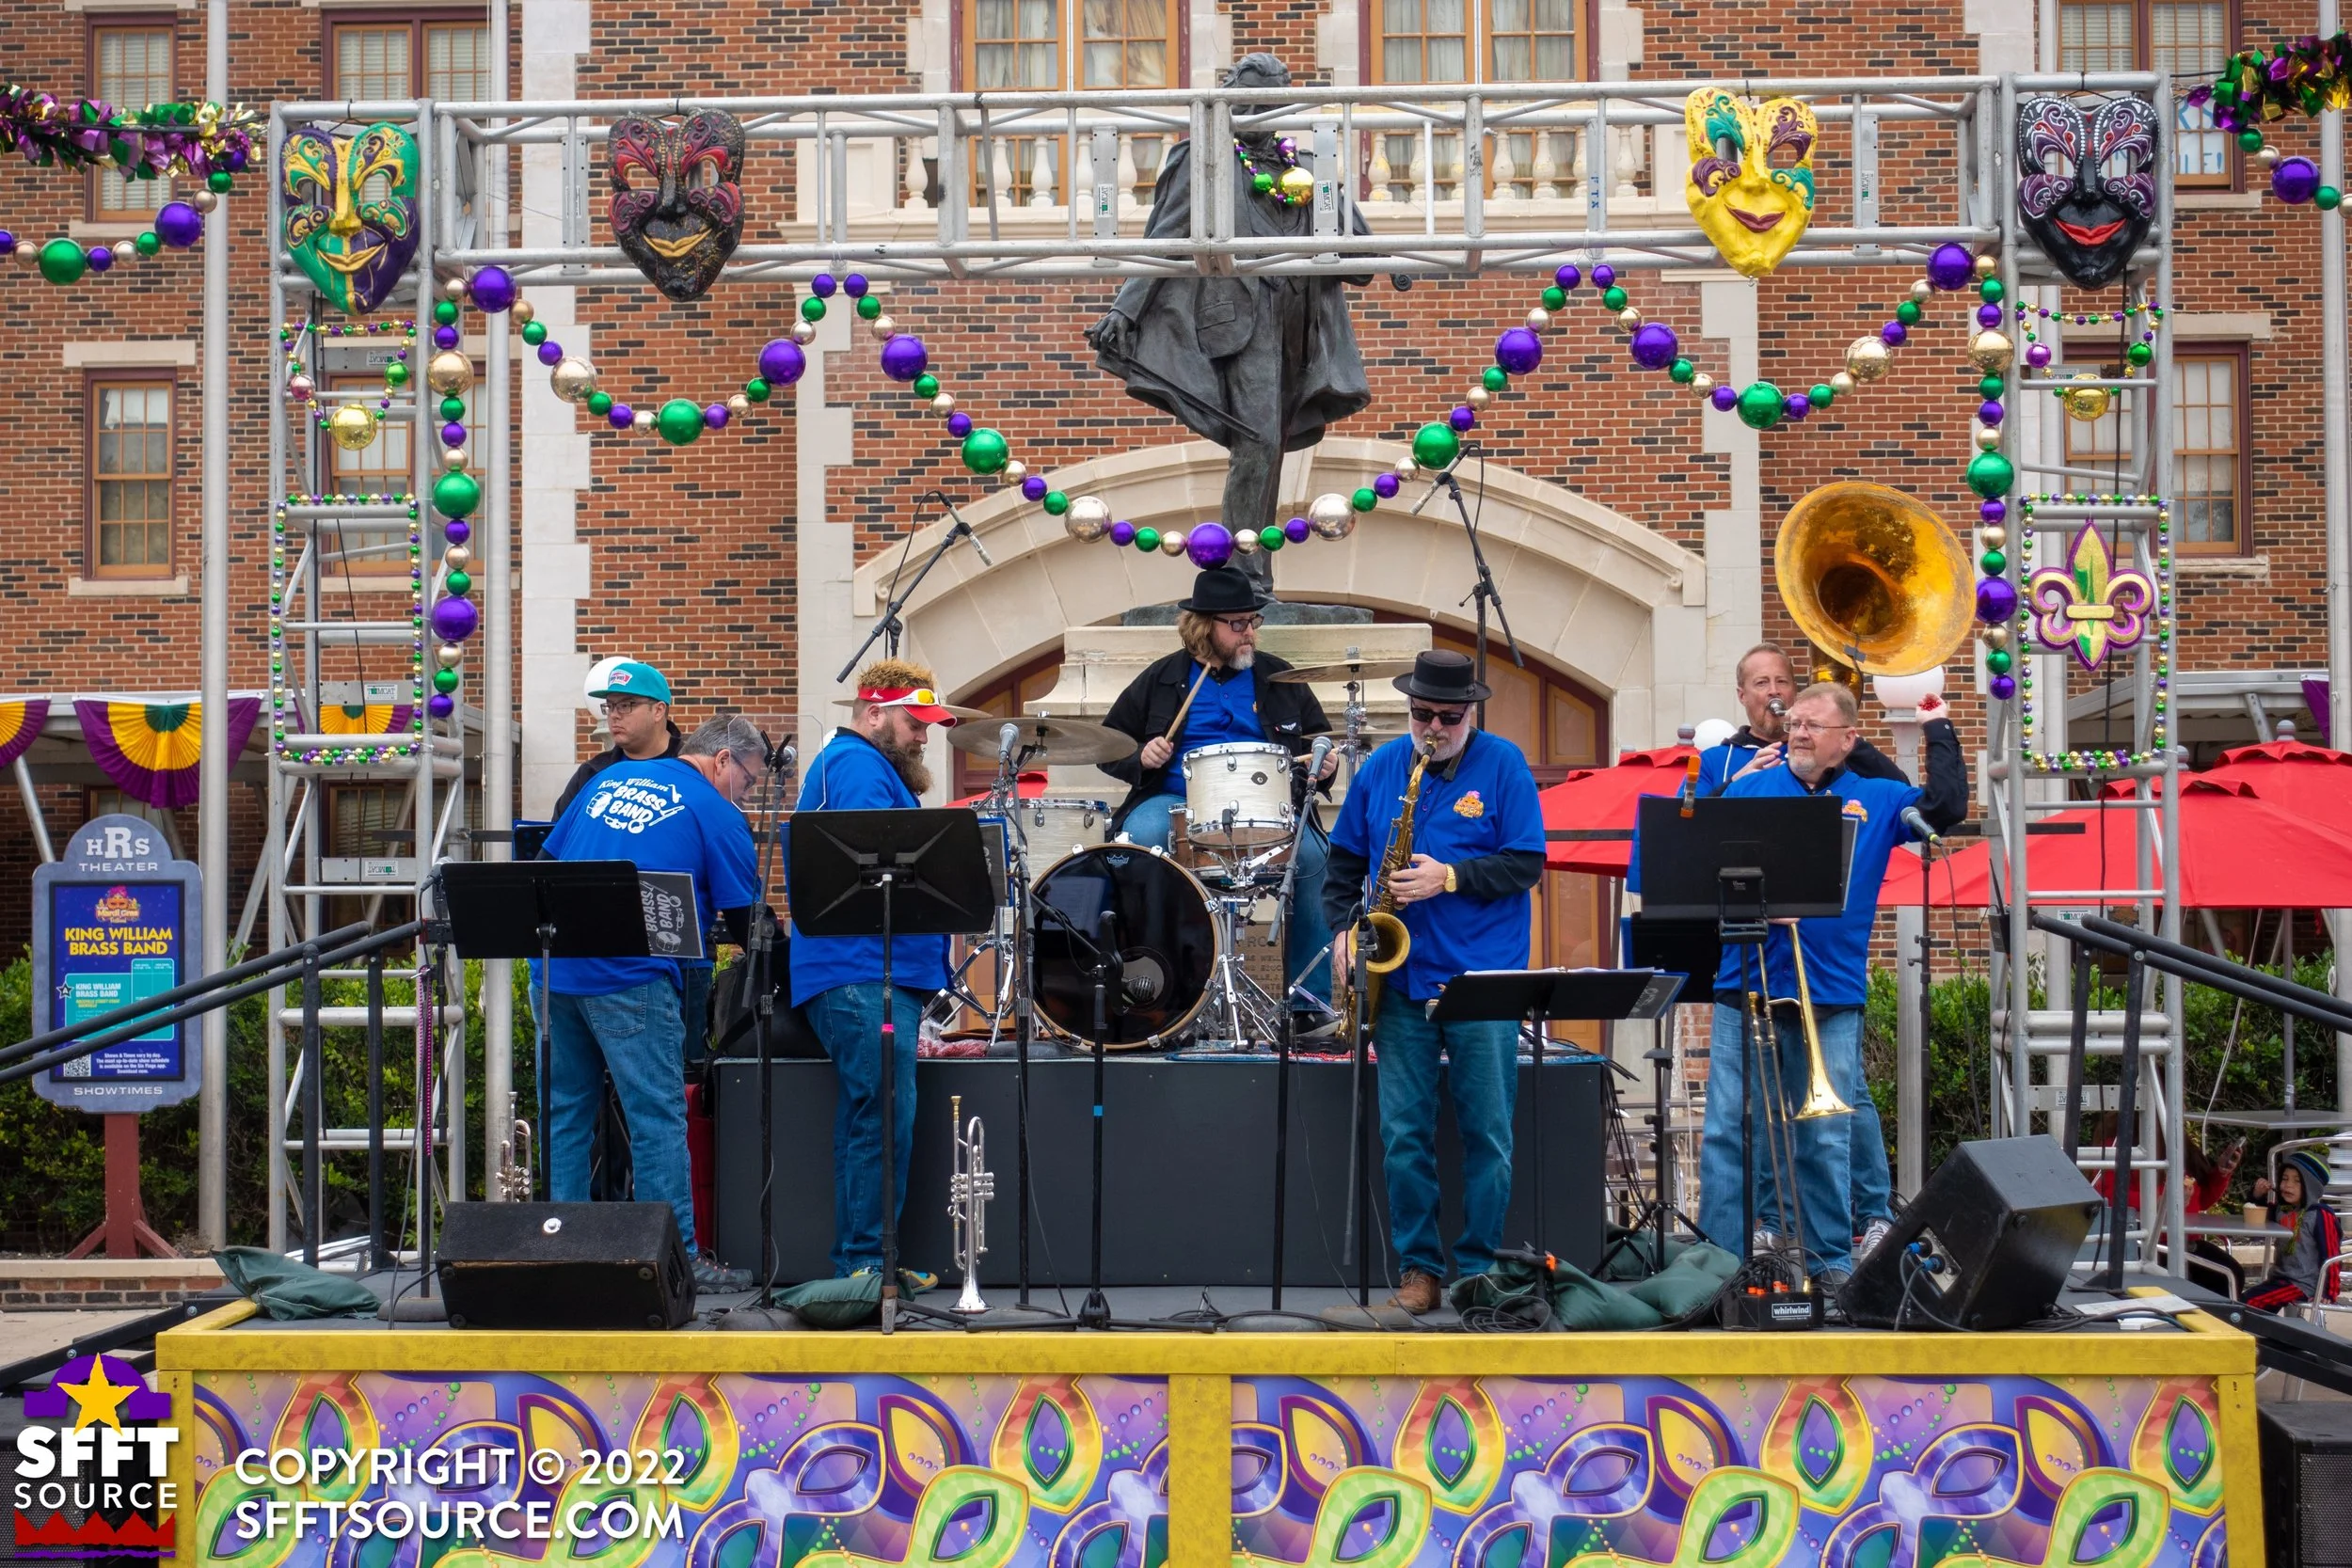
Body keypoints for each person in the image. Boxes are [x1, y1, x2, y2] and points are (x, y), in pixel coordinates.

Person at [1705, 680, 1967, 1291]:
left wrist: (1937, 727)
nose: (1796, 731)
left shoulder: (1875, 796)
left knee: (1824, 1135)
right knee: (1727, 1127)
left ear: (1847, 740)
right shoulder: (1749, 787)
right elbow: (1699, 865)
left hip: (1830, 990)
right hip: (1745, 983)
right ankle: (1716, 1264)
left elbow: (1946, 808)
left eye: (1812, 725)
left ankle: (1829, 1265)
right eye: (1793, 722)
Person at [1323, 650, 1546, 1315]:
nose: (1435, 727)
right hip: (1404, 978)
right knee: (1403, 1133)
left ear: (1470, 712)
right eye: (1423, 714)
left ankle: (1477, 1271)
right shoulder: (1384, 767)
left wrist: (1450, 876)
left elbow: (1527, 863)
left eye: (1449, 717)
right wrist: (1341, 929)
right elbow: (1342, 865)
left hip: (1483, 976)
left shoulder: (1503, 764)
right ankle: (1419, 1270)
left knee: (1488, 1133)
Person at [537, 706, 763, 1292]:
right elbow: (747, 923)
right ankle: (678, 1262)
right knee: (657, 1118)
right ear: (722, 761)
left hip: (555, 970)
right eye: (751, 779)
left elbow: (544, 866)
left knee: (566, 1114)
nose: (750, 793)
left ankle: (566, 1253)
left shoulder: (608, 780)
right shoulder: (715, 809)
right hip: (629, 974)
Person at [1099, 565, 1342, 1021]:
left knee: (1315, 860)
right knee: (1139, 841)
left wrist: (1324, 766)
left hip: (1270, 807)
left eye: (1253, 622)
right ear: (1203, 627)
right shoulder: (1164, 677)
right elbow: (1108, 743)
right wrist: (1141, 757)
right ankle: (1158, 994)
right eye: (1238, 624)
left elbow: (1317, 744)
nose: (1249, 633)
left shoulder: (1278, 677)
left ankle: (1310, 1004)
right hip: (1176, 803)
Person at [789, 658, 959, 1282]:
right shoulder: (858, 768)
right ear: (874, 713)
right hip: (860, 971)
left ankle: (868, 1261)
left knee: (879, 1113)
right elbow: (863, 873)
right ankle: (863, 1265)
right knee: (882, 1113)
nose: (923, 736)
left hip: (868, 971)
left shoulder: (862, 767)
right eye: (915, 724)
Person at [1699, 644, 1906, 794]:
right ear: (1742, 695)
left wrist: (1844, 737)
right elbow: (1687, 827)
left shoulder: (1827, 749)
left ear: (1794, 690)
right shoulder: (1713, 760)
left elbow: (1901, 789)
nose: (1774, 691)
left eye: (1782, 682)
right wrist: (1736, 782)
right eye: (1762, 683)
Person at [2087, 1112, 2248, 1296]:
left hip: (2185, 1242)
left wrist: (2221, 1173)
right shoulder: (2117, 1144)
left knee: (2232, 1274)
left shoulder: (2180, 1143)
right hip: (2146, 1245)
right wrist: (2163, 1200)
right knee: (2222, 1277)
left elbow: (2201, 1202)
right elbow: (2108, 1196)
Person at [2246, 1151, 2342, 1312]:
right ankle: (2268, 1333)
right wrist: (2257, 1195)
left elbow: (2332, 1256)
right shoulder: (2281, 1210)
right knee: (2246, 1299)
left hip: (2302, 1285)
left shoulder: (2320, 1215)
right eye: (2284, 1178)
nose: (2288, 1185)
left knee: (2250, 1303)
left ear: (2310, 1187)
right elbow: (2256, 1220)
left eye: (2297, 1181)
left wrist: (2329, 1292)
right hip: (2279, 1279)